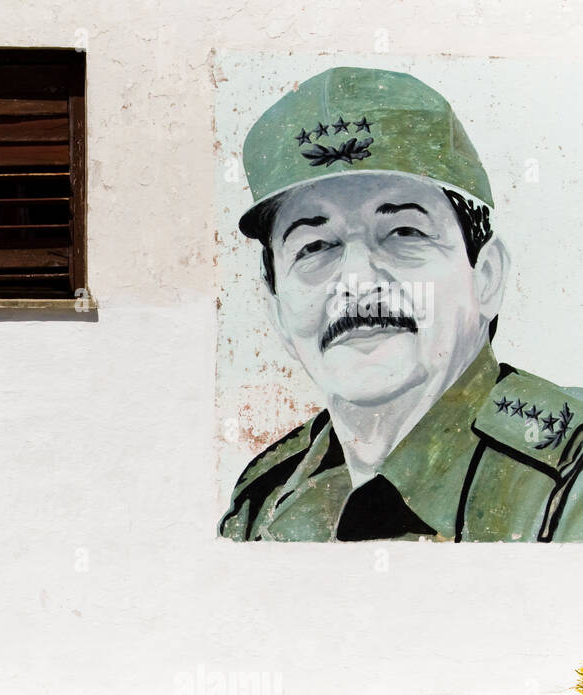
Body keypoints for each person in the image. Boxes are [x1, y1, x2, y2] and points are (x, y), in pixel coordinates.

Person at [220, 67, 583, 542]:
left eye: (403, 232)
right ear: (277, 313)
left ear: (487, 277)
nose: (355, 281)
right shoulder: (261, 503)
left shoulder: (567, 483)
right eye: (314, 246)